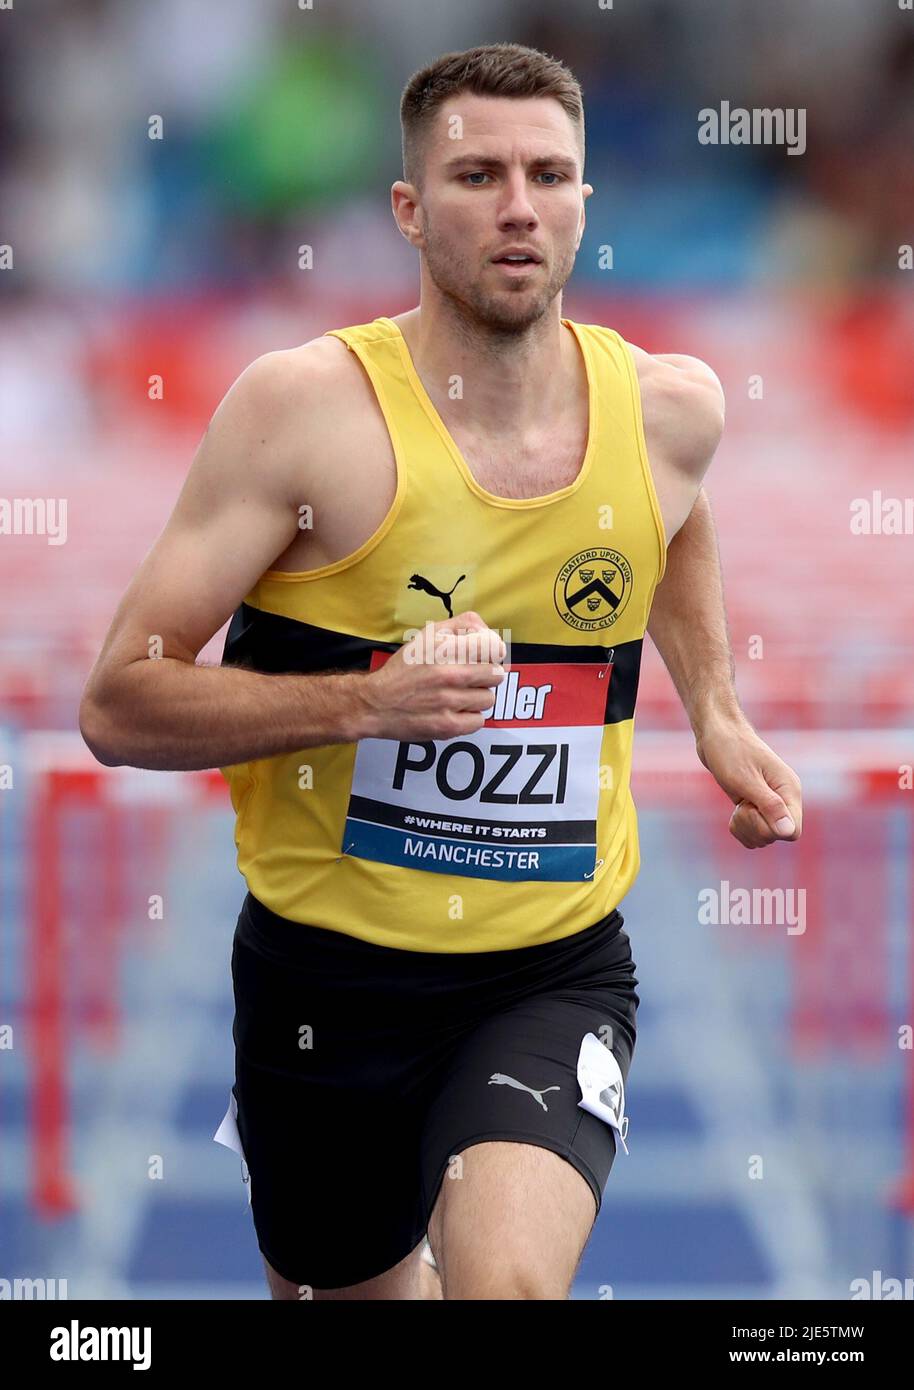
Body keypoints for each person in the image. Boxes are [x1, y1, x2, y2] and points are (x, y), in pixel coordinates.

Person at [79, 42, 802, 1301]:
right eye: (477, 175)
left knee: (503, 1288)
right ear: (407, 209)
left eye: (548, 174)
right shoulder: (302, 413)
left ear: (585, 203)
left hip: (548, 963)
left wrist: (716, 711)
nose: (518, 205)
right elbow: (117, 702)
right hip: (324, 982)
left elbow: (671, 517)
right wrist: (366, 702)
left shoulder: (670, 407)